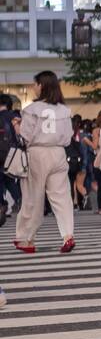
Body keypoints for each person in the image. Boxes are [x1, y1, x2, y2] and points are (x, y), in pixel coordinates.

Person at [12, 71, 75, 253]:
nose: (34, 87)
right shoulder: (64, 110)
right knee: (61, 197)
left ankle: (27, 239)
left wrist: (17, 125)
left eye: (35, 84)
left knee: (33, 196)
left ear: (42, 86)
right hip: (58, 152)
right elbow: (68, 137)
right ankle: (67, 235)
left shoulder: (32, 109)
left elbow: (25, 137)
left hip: (37, 152)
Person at [0, 93, 22, 226]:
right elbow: (21, 135)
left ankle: (2, 205)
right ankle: (20, 201)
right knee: (10, 180)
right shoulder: (15, 117)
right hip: (13, 155)